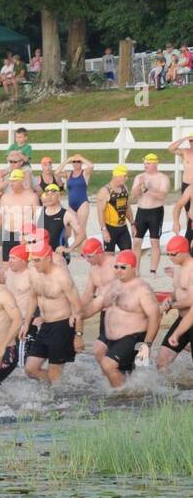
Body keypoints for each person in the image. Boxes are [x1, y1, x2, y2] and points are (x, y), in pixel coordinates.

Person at [80, 250, 162, 387]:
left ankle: (122, 394)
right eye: (116, 267)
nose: (119, 271)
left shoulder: (142, 290)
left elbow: (155, 317)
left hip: (133, 337)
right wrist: (76, 314)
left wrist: (147, 345)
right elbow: (94, 306)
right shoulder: (113, 286)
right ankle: (121, 385)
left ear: (133, 268)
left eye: (123, 267)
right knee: (99, 350)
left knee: (108, 364)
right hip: (113, 337)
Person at [23, 239, 84, 384]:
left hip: (62, 326)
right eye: (32, 260)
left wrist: (79, 336)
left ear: (48, 258)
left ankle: (57, 398)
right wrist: (26, 323)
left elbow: (78, 308)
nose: (33, 263)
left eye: (37, 260)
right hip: (45, 325)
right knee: (30, 369)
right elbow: (33, 297)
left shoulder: (62, 277)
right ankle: (58, 387)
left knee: (54, 372)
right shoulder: (34, 272)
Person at [156, 236, 193, 370]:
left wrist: (171, 306)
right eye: (168, 254)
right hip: (182, 319)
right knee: (162, 361)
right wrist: (170, 298)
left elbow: (190, 300)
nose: (170, 257)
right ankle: (170, 391)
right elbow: (177, 291)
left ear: (184, 252)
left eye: (173, 254)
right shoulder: (177, 267)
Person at [131, 153, 171, 274]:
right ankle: (136, 270)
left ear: (155, 164)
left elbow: (162, 196)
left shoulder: (163, 178)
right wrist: (139, 185)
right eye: (144, 163)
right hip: (141, 211)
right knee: (137, 242)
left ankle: (153, 270)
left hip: (156, 212)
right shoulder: (139, 177)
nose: (145, 165)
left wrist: (148, 190)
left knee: (155, 241)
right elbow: (134, 195)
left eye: (148, 163)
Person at [0, 169, 41, 263]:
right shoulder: (5, 197)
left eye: (15, 181)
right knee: (6, 264)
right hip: (8, 235)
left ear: (22, 181)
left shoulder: (31, 197)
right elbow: (0, 218)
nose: (11, 184)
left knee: (25, 264)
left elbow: (37, 219)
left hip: (25, 235)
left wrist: (32, 237)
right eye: (11, 181)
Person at [37, 183, 85, 261]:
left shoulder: (67, 215)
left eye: (52, 194)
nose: (49, 197)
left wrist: (69, 249)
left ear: (59, 197)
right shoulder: (39, 212)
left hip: (58, 256)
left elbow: (82, 234)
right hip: (41, 256)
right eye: (47, 194)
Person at [96, 165, 133, 253]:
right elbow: (100, 213)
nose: (126, 178)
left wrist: (132, 223)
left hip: (123, 228)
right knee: (109, 258)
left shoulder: (125, 188)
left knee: (127, 255)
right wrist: (104, 231)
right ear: (117, 176)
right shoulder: (104, 191)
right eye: (125, 176)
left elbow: (127, 207)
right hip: (110, 228)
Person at [57, 154, 95, 231]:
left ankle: (83, 243)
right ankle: (77, 243)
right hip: (71, 205)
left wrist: (81, 158)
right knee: (75, 229)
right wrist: (67, 160)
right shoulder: (68, 174)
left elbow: (91, 166)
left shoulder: (84, 173)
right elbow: (57, 172)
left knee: (81, 229)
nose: (76, 163)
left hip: (82, 204)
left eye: (78, 162)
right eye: (74, 162)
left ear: (81, 163)